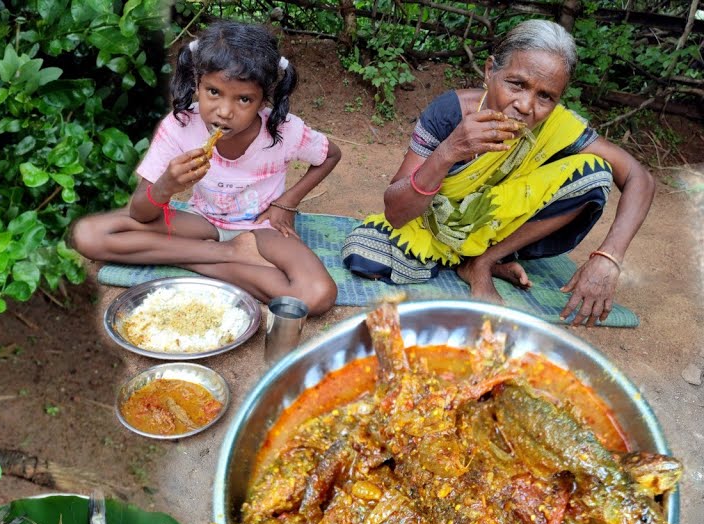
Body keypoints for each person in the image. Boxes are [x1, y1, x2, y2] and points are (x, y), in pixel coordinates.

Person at [340, 19, 654, 326]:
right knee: (365, 254)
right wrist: (450, 150)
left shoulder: (559, 126)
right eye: (517, 84)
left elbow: (639, 177)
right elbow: (395, 212)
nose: (526, 105)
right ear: (490, 71)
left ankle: (483, 261)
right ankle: (465, 259)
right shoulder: (450, 113)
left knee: (595, 173)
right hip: (430, 225)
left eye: (545, 96)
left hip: (492, 230)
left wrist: (608, 259)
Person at [72, 20, 342, 313]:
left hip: (261, 228)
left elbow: (330, 155)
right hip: (203, 222)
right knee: (87, 234)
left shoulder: (284, 131)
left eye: (244, 99)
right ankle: (226, 254)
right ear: (197, 84)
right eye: (213, 92)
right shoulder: (180, 126)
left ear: (264, 100)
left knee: (317, 295)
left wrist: (286, 203)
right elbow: (140, 212)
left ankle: (188, 257)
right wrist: (165, 186)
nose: (224, 112)